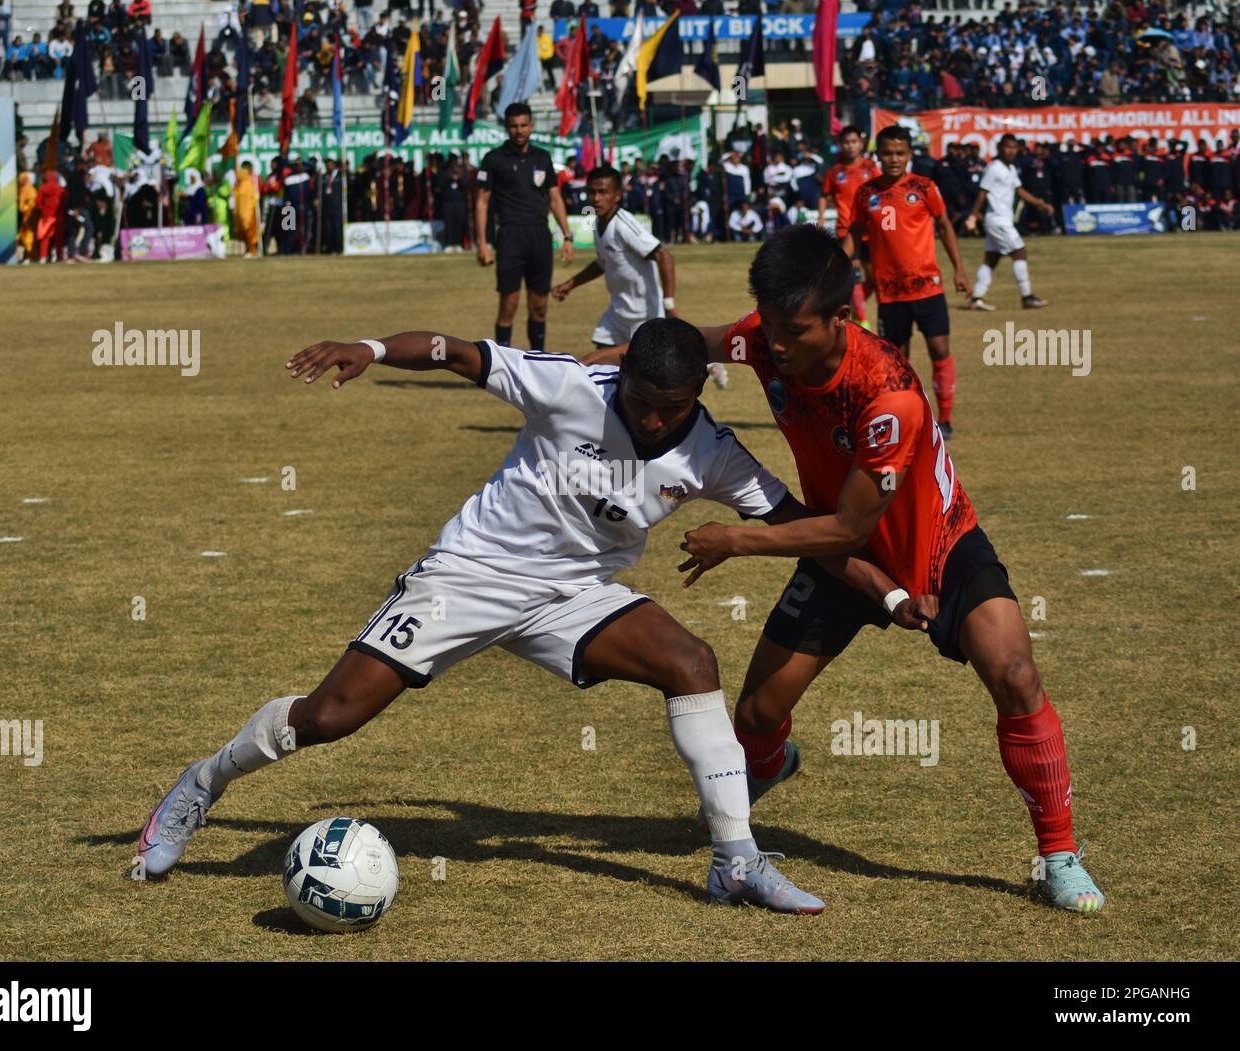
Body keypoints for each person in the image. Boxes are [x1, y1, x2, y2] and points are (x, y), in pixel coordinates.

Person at [136, 318, 919, 914]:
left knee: (692, 662)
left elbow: (799, 525)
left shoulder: (712, 452)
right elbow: (457, 353)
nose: (652, 421)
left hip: (573, 594)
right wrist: (374, 349)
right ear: (624, 384)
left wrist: (886, 592)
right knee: (330, 715)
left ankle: (735, 859)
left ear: (697, 396)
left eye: (670, 408)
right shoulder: (571, 386)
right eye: (641, 403)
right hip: (469, 576)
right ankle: (201, 785)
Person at [662, 226, 1105, 914]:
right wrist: (592, 367)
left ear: (842, 316)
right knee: (756, 713)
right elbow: (694, 345)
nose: (775, 343)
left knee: (1016, 674)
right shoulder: (767, 337)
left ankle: (1058, 855)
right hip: (844, 559)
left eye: (793, 328)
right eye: (770, 324)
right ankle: (773, 765)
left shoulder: (887, 391)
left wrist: (738, 539)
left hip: (935, 544)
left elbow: (849, 525)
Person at [841, 125, 968, 440]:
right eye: (887, 153)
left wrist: (959, 269)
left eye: (900, 153)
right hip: (890, 293)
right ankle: (908, 417)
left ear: (910, 155)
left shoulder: (924, 187)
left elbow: (944, 225)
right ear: (878, 155)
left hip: (928, 288)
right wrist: (839, 268)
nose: (893, 159)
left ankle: (946, 418)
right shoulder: (867, 193)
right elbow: (855, 232)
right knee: (897, 363)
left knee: (939, 348)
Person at [475, 102, 575, 352]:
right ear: (506, 128)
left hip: (540, 235)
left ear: (531, 126)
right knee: (509, 303)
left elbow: (554, 198)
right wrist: (482, 244)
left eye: (523, 125)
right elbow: (482, 202)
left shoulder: (543, 157)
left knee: (539, 305)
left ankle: (537, 360)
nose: (519, 131)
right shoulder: (493, 159)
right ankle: (500, 366)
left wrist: (567, 236)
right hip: (510, 235)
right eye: (513, 126)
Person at [551, 165, 677, 351]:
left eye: (603, 192)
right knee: (602, 360)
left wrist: (668, 304)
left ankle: (707, 363)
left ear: (617, 196)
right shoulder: (597, 223)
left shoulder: (623, 225)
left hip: (644, 314)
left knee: (650, 372)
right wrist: (570, 284)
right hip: (618, 313)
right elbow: (603, 262)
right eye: (592, 192)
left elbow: (664, 255)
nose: (596, 198)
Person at [966, 134, 1052, 311]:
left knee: (991, 259)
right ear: (999, 148)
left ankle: (976, 298)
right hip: (998, 220)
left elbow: (1020, 191)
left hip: (1001, 220)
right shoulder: (994, 168)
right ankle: (1027, 297)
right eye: (1008, 147)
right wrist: (973, 216)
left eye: (1014, 147)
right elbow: (982, 193)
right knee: (1020, 253)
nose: (1012, 151)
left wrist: (1041, 204)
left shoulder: (1011, 168)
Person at [820, 125, 880, 327]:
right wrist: (820, 217)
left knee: (873, 279)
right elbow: (824, 195)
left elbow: (881, 193)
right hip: (846, 230)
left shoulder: (871, 168)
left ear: (861, 144)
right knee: (853, 275)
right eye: (846, 142)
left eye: (854, 142)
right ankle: (862, 320)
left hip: (870, 230)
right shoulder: (835, 171)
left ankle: (856, 307)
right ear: (840, 145)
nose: (850, 146)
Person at [234, 160, 260, 256]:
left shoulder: (254, 179)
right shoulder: (239, 182)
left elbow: (258, 192)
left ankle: (252, 249)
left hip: (250, 209)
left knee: (250, 229)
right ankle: (248, 249)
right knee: (243, 230)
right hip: (242, 209)